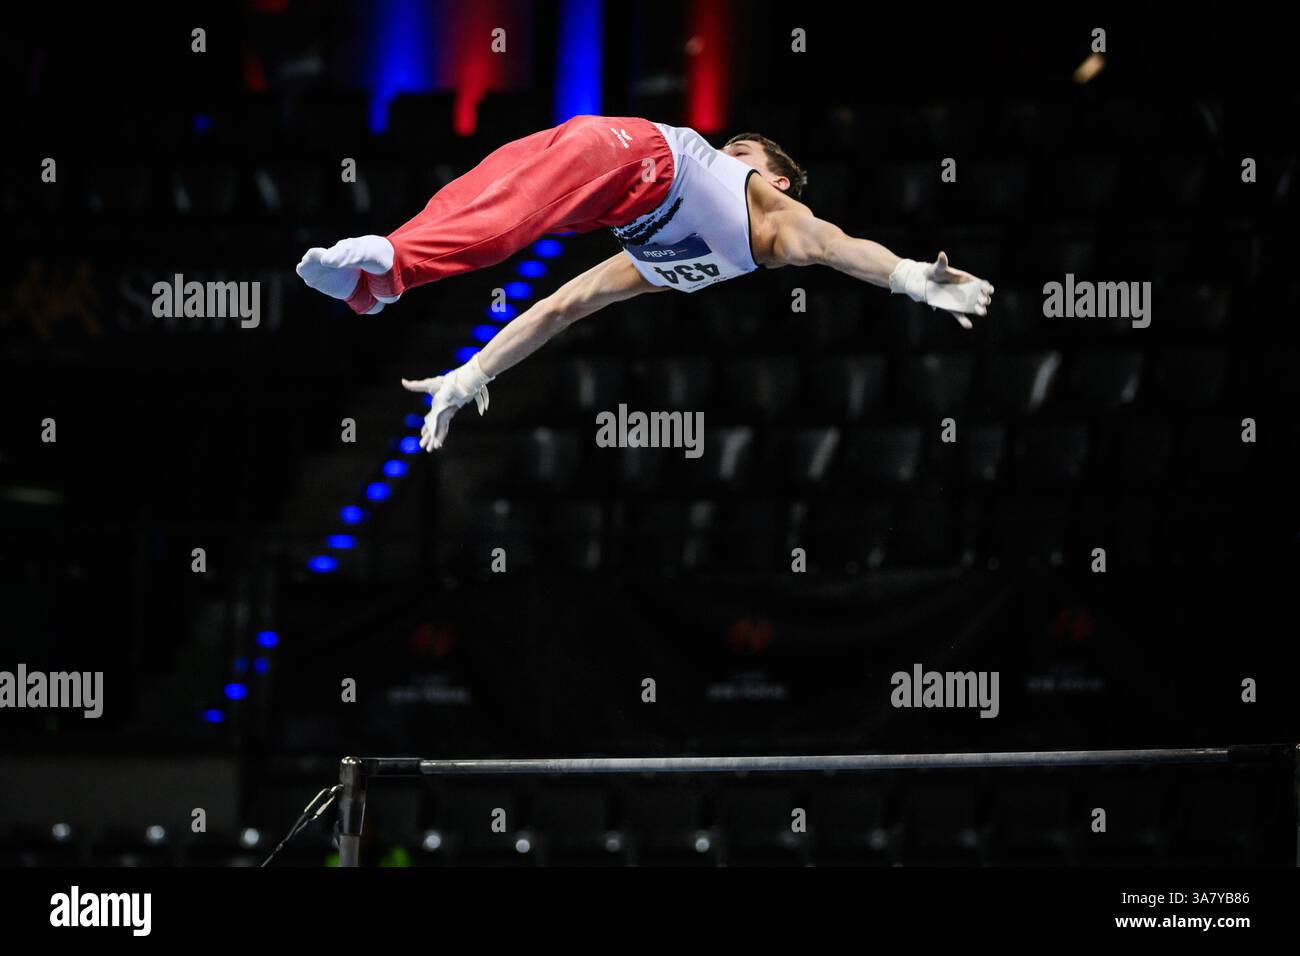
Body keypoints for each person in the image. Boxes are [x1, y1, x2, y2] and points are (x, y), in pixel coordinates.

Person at [296, 115, 994, 451]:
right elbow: (843, 250)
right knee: (498, 207)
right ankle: (392, 260)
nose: (729, 154)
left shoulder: (770, 224)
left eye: (744, 153)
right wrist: (905, 276)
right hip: (629, 156)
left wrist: (473, 372)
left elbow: (561, 306)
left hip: (604, 184)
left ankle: (375, 281)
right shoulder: (714, 177)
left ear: (776, 178)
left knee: (500, 202)